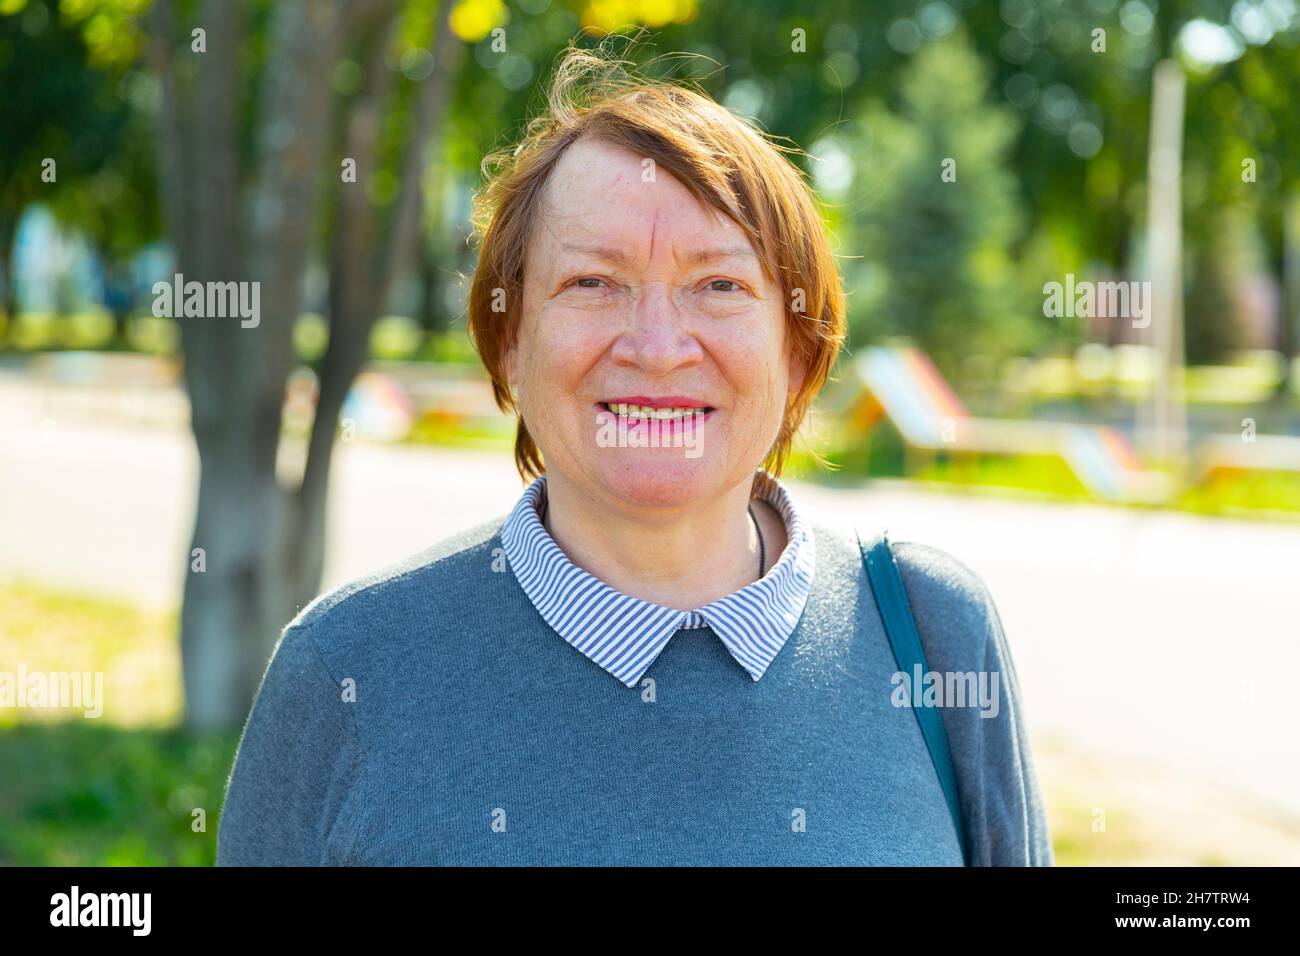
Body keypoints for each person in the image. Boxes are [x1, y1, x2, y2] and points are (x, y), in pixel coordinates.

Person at [216, 45, 1053, 866]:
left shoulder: (935, 636)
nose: (657, 348)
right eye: (592, 283)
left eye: (720, 285)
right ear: (510, 344)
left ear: (797, 351)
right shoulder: (345, 671)